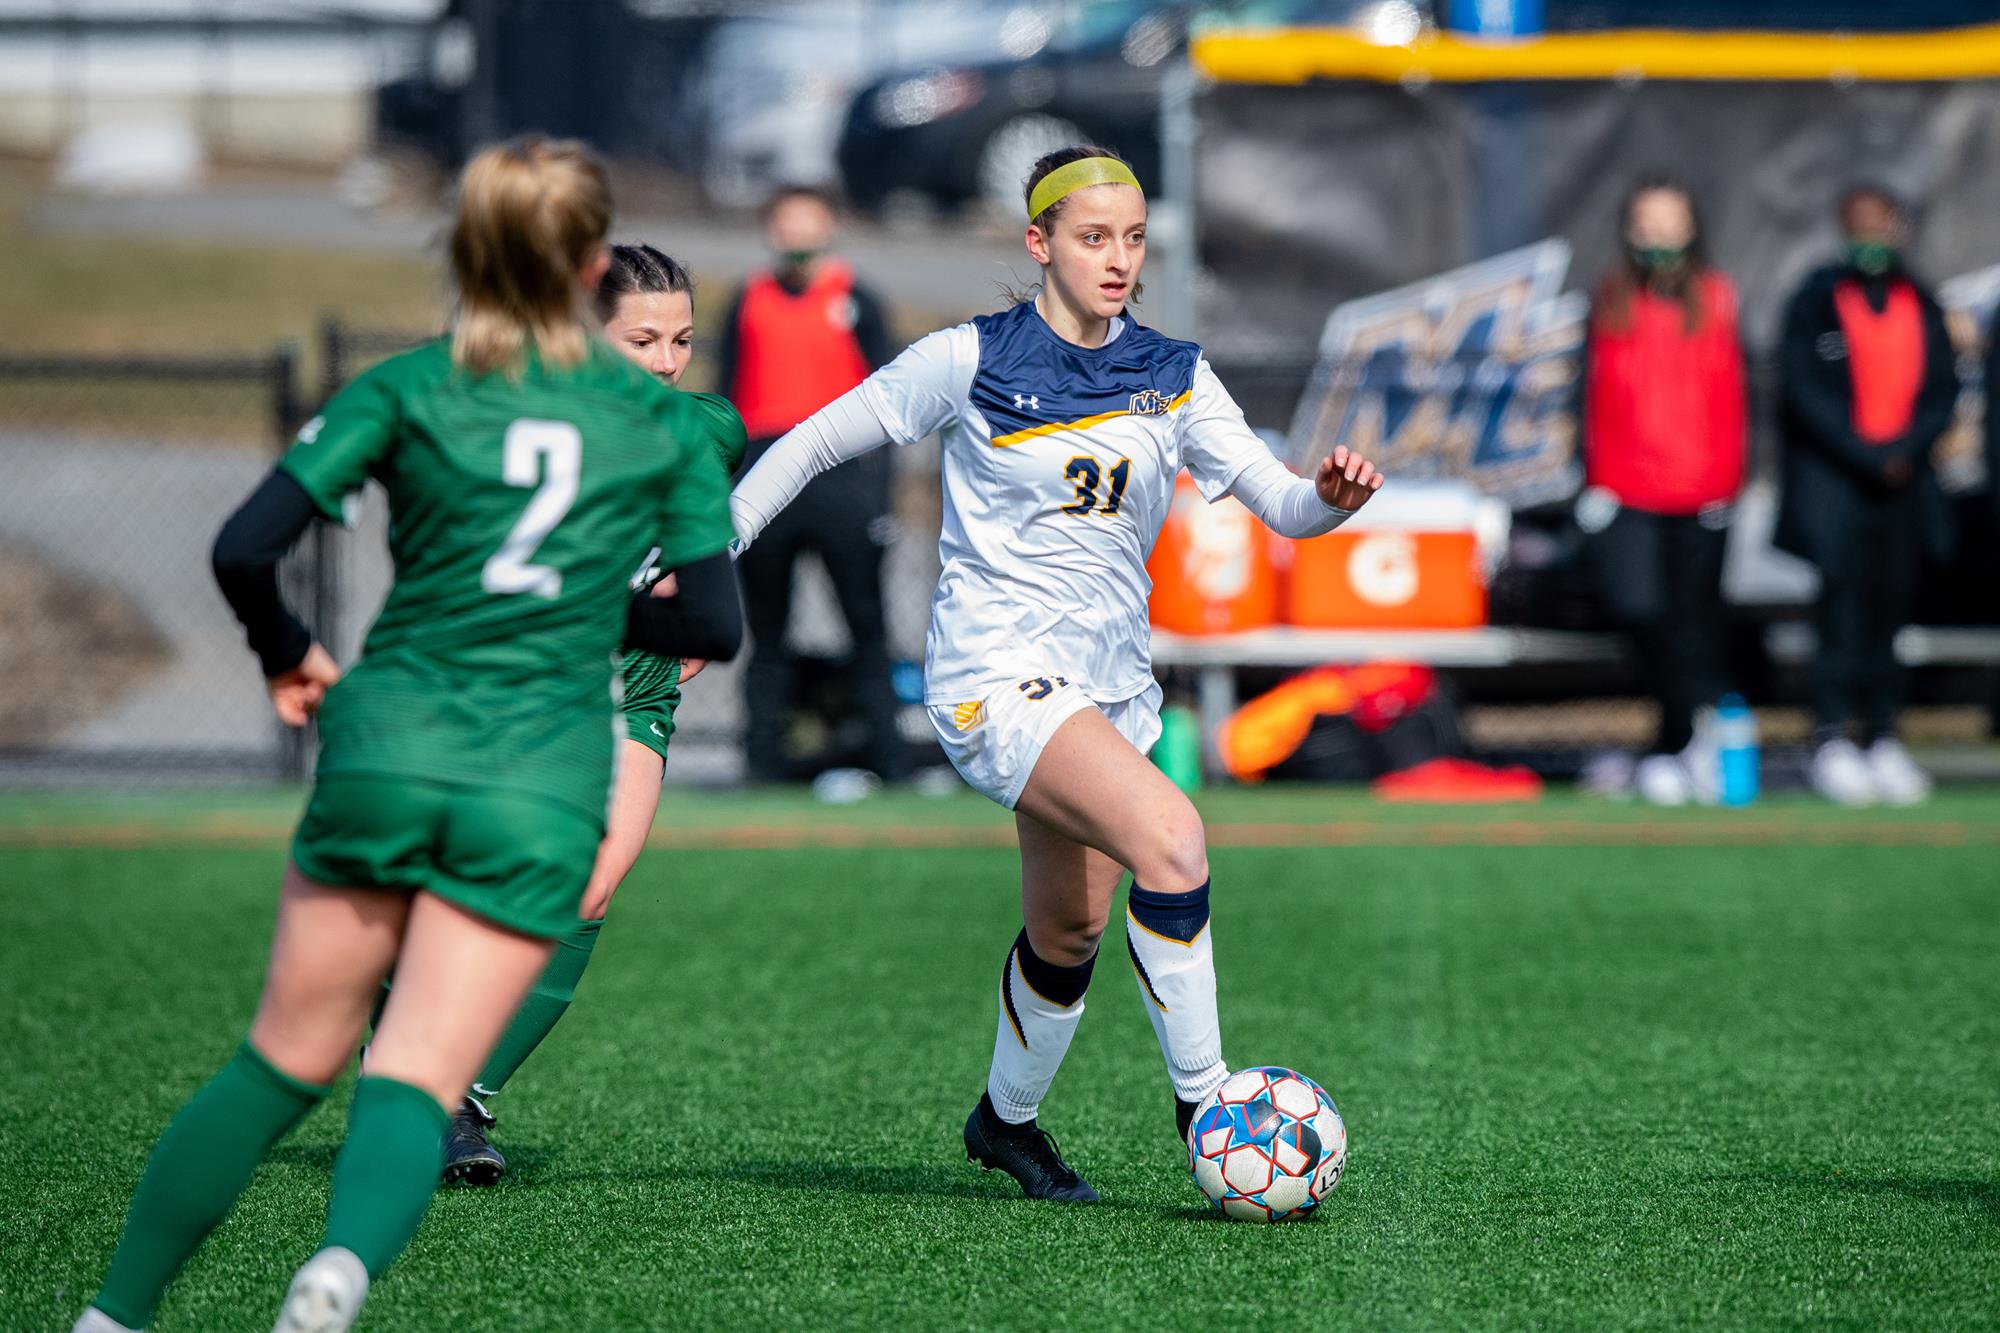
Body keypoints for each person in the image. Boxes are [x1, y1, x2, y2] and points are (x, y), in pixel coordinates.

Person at [72, 137, 743, 1333]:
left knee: (278, 1061)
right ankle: (334, 1276)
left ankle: (114, 1315)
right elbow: (711, 624)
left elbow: (241, 550)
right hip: (536, 776)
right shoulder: (669, 429)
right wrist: (576, 604)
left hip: (385, 744)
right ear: (587, 269)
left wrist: (287, 650)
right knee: (417, 1074)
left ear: (467, 249)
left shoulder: (409, 385)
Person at [728, 146, 1383, 1202]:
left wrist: (1331, 499)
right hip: (995, 677)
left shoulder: (1175, 373)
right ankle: (1209, 1107)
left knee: (1069, 928)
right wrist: (716, 538)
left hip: (1109, 688)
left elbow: (1283, 503)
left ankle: (1005, 1122)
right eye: (1092, 238)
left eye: (1133, 239)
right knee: (1173, 839)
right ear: (1039, 243)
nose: (1117, 259)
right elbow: (811, 442)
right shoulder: (969, 357)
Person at [418, 243, 750, 1186]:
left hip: (635, 687)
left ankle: (457, 1096)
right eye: (641, 339)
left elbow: (726, 500)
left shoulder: (707, 427)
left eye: (681, 339)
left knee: (592, 887)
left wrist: (703, 579)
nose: (667, 361)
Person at [715, 185, 907, 783]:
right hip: (764, 479)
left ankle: (891, 761)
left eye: (808, 221)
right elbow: (723, 399)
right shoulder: (747, 299)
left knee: (867, 629)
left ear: (829, 226)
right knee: (767, 633)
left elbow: (891, 407)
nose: (797, 233)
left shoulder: (858, 300)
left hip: (839, 485)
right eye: (786, 222)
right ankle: (761, 766)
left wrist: (880, 499)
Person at [1776, 184, 1958, 806]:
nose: (1872, 238)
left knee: (1890, 617)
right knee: (1840, 617)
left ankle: (1882, 736)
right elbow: (1803, 389)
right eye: (1860, 225)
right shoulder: (1816, 300)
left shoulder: (1922, 301)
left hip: (1904, 490)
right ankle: (1830, 737)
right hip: (1839, 487)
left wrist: (1904, 451)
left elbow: (1942, 391)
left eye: (1881, 224)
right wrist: (1867, 454)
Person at [1580, 176, 1747, 806]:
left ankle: (1679, 745)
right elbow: (1588, 396)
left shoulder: (1717, 298)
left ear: (1691, 227)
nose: (1657, 235)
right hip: (1625, 490)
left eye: (1669, 221)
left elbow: (1732, 397)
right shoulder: (1609, 298)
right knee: (1637, 609)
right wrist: (1593, 478)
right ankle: (1684, 734)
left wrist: (1727, 482)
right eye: (1645, 222)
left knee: (1692, 623)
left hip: (1702, 490)